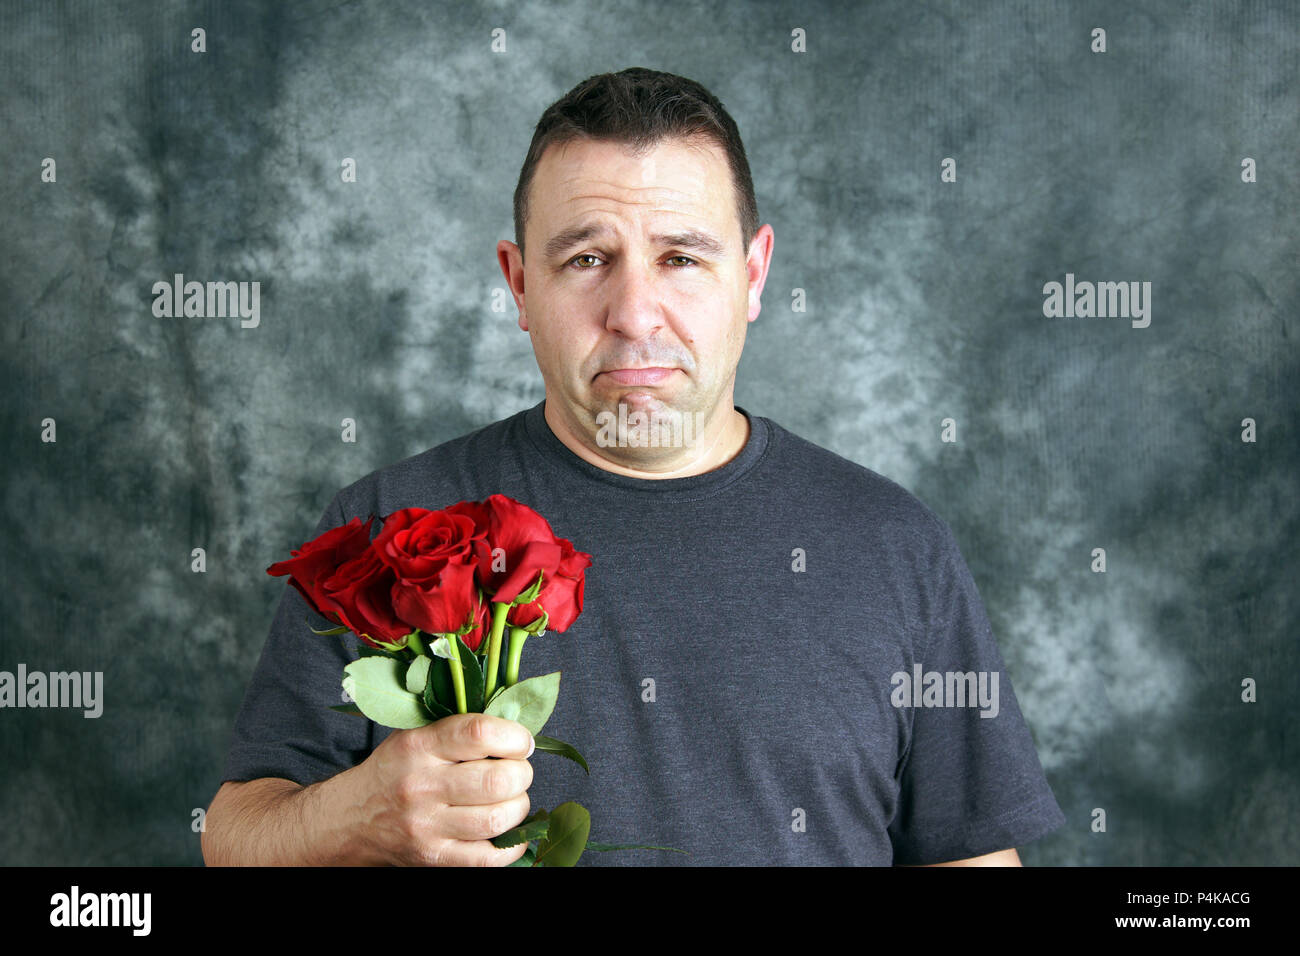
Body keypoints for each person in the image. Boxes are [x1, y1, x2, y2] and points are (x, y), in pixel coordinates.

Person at [202, 67, 1065, 867]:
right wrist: (360, 814)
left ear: (755, 275)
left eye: (681, 258)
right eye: (587, 259)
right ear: (518, 286)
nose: (634, 313)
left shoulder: (896, 546)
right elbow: (234, 837)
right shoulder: (390, 526)